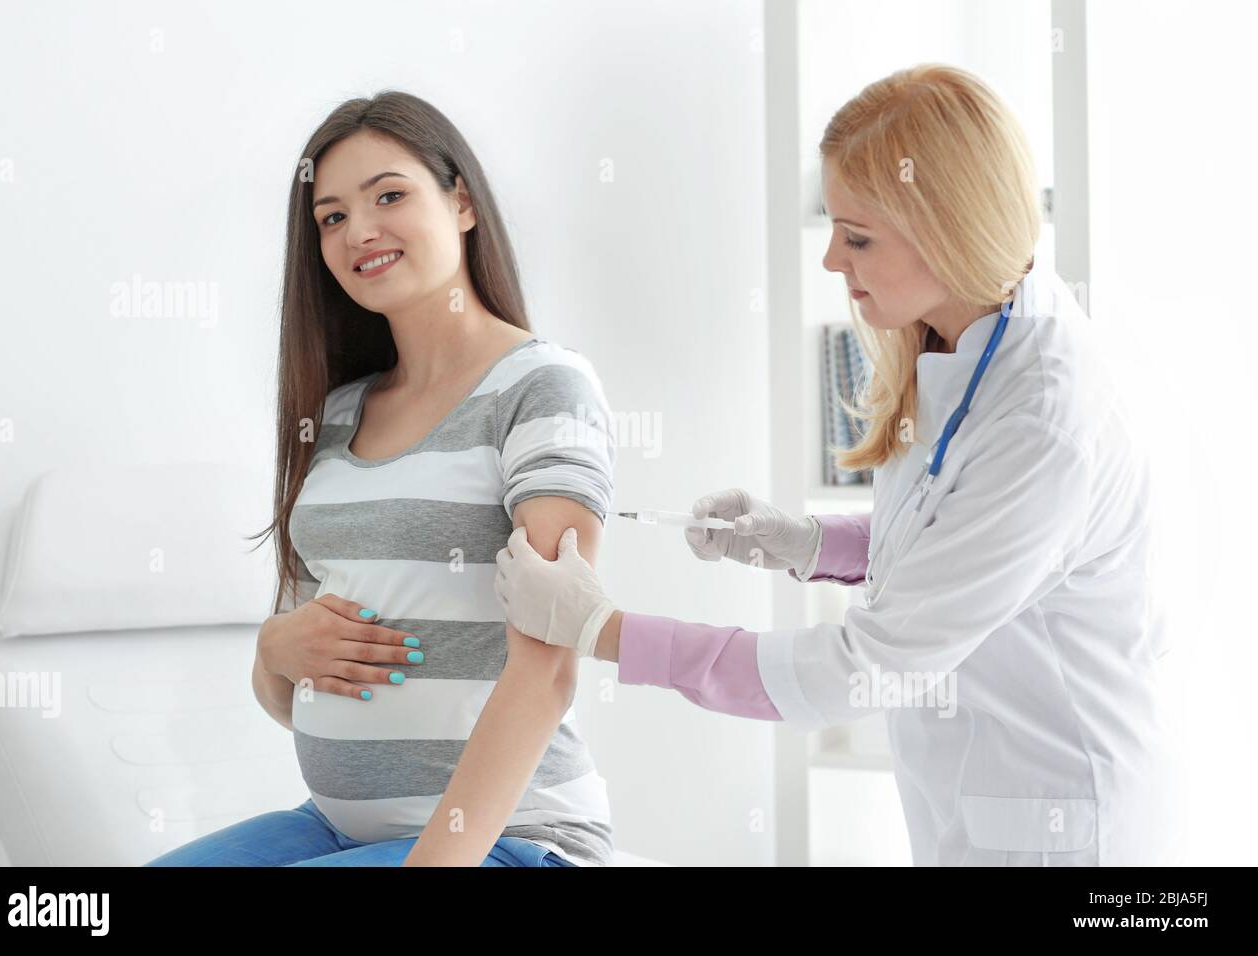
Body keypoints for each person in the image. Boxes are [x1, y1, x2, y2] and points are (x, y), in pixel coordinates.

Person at [493, 64, 1179, 866]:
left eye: (857, 237)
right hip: (980, 803)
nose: (829, 261)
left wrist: (603, 631)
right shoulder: (966, 332)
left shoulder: (1046, 423)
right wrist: (806, 544)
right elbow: (946, 528)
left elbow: (860, 671)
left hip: (1073, 825)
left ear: (951, 230)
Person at [147, 90, 615, 867]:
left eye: (389, 195)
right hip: (334, 827)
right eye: (331, 217)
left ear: (460, 200)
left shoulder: (542, 389)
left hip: (512, 842)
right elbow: (290, 686)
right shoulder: (334, 413)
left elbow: (550, 666)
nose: (358, 230)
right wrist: (271, 652)